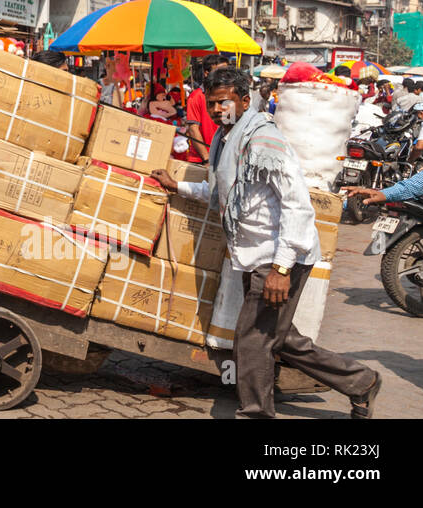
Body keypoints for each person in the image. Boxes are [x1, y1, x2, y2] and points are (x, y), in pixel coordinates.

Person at [151, 66, 381, 419]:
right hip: (251, 256)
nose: (216, 111)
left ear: (245, 100)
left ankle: (256, 413)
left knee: (253, 339)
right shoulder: (225, 139)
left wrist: (281, 268)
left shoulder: (263, 139)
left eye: (223, 102)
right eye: (211, 104)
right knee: (281, 338)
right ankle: (361, 381)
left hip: (276, 257)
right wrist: (178, 186)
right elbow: (221, 192)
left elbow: (297, 204)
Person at [185, 55, 230, 164]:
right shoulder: (196, 97)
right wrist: (206, 159)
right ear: (206, 73)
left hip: (225, 158)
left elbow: (231, 125)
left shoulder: (229, 95)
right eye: (220, 71)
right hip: (202, 159)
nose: (224, 76)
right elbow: (193, 129)